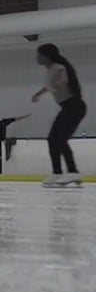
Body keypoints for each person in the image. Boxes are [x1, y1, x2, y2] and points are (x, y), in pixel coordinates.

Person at [33, 43, 86, 187]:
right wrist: (39, 94)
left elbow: (63, 80)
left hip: (74, 106)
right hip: (67, 107)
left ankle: (73, 172)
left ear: (47, 56)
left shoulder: (59, 67)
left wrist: (53, 87)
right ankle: (57, 173)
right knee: (52, 139)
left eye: (40, 55)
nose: (37, 58)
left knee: (61, 139)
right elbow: (48, 85)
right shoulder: (49, 69)